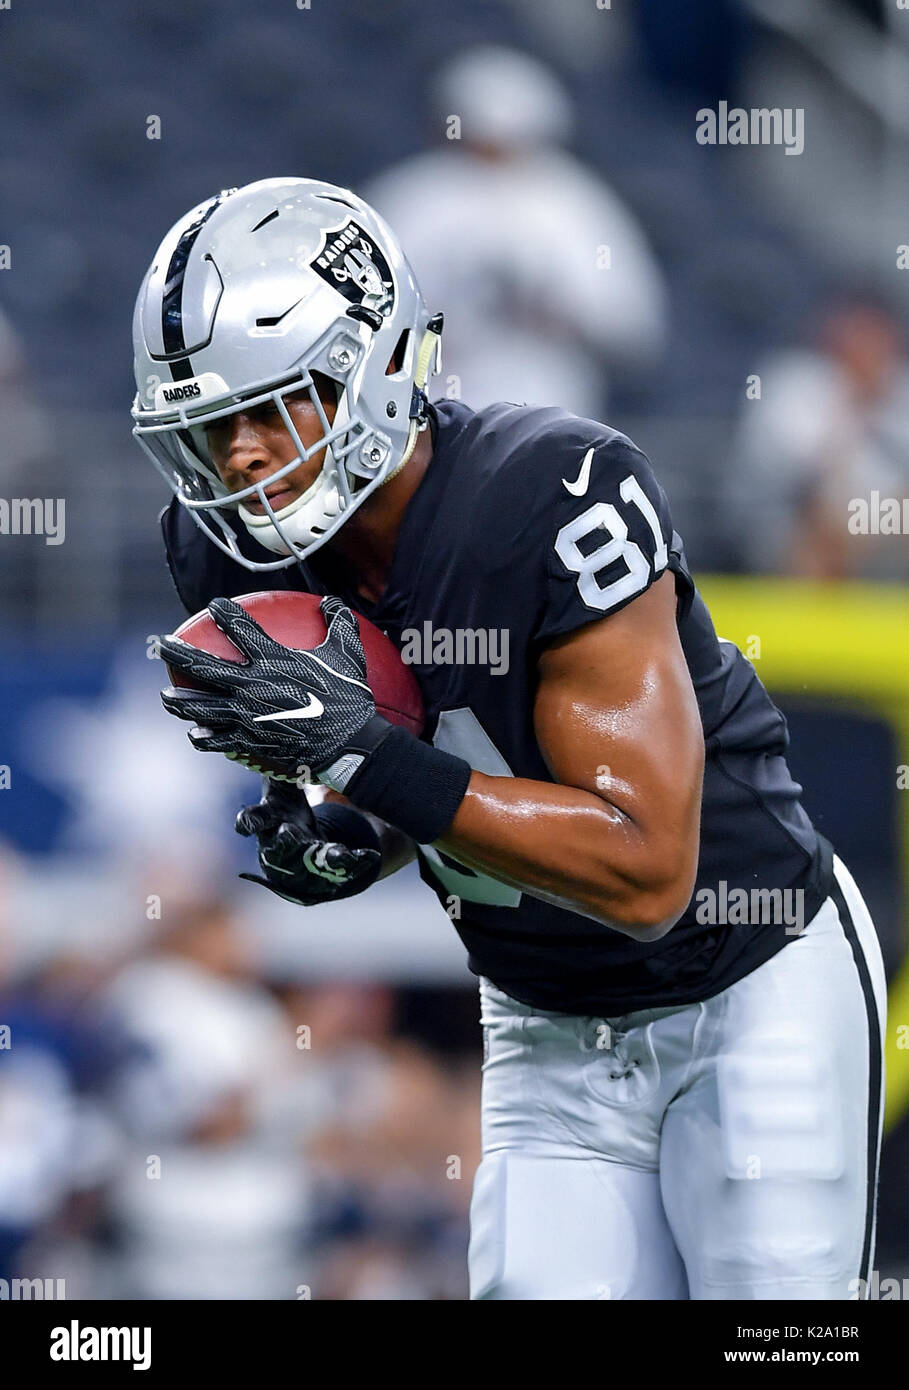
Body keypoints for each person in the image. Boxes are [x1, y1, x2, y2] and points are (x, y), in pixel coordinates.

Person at [132, 177, 885, 1300]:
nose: (238, 459)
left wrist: (369, 764)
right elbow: (430, 760)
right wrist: (355, 832)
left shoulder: (553, 493)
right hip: (545, 1019)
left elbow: (645, 870)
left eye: (270, 409)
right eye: (207, 426)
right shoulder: (223, 550)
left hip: (746, 985)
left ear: (372, 370)